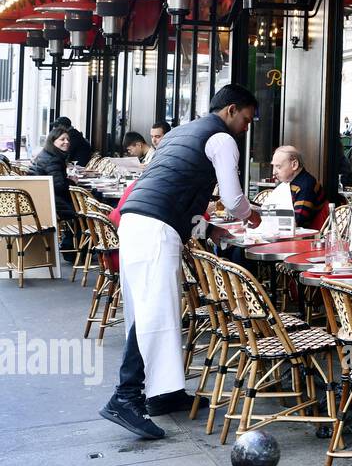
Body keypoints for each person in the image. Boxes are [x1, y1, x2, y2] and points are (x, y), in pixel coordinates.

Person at [99, 84, 261, 440]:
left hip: (136, 221)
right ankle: (125, 398)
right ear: (232, 110)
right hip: (157, 227)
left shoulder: (179, 134)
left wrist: (211, 228)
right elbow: (234, 200)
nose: (246, 128)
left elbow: (178, 186)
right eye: (247, 120)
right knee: (154, 313)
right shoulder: (221, 139)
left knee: (152, 311)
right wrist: (252, 215)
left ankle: (163, 393)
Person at [265, 145, 327, 228]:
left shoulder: (306, 184)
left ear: (294, 164)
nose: (273, 172)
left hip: (310, 236)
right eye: (273, 166)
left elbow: (297, 219)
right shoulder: (289, 183)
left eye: (278, 167)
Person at [29, 127, 75, 229]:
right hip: (54, 202)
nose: (66, 142)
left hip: (41, 198)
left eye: (68, 139)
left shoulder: (46, 154)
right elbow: (59, 186)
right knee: (82, 211)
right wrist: (73, 183)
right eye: (62, 139)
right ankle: (70, 240)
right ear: (52, 141)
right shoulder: (53, 159)